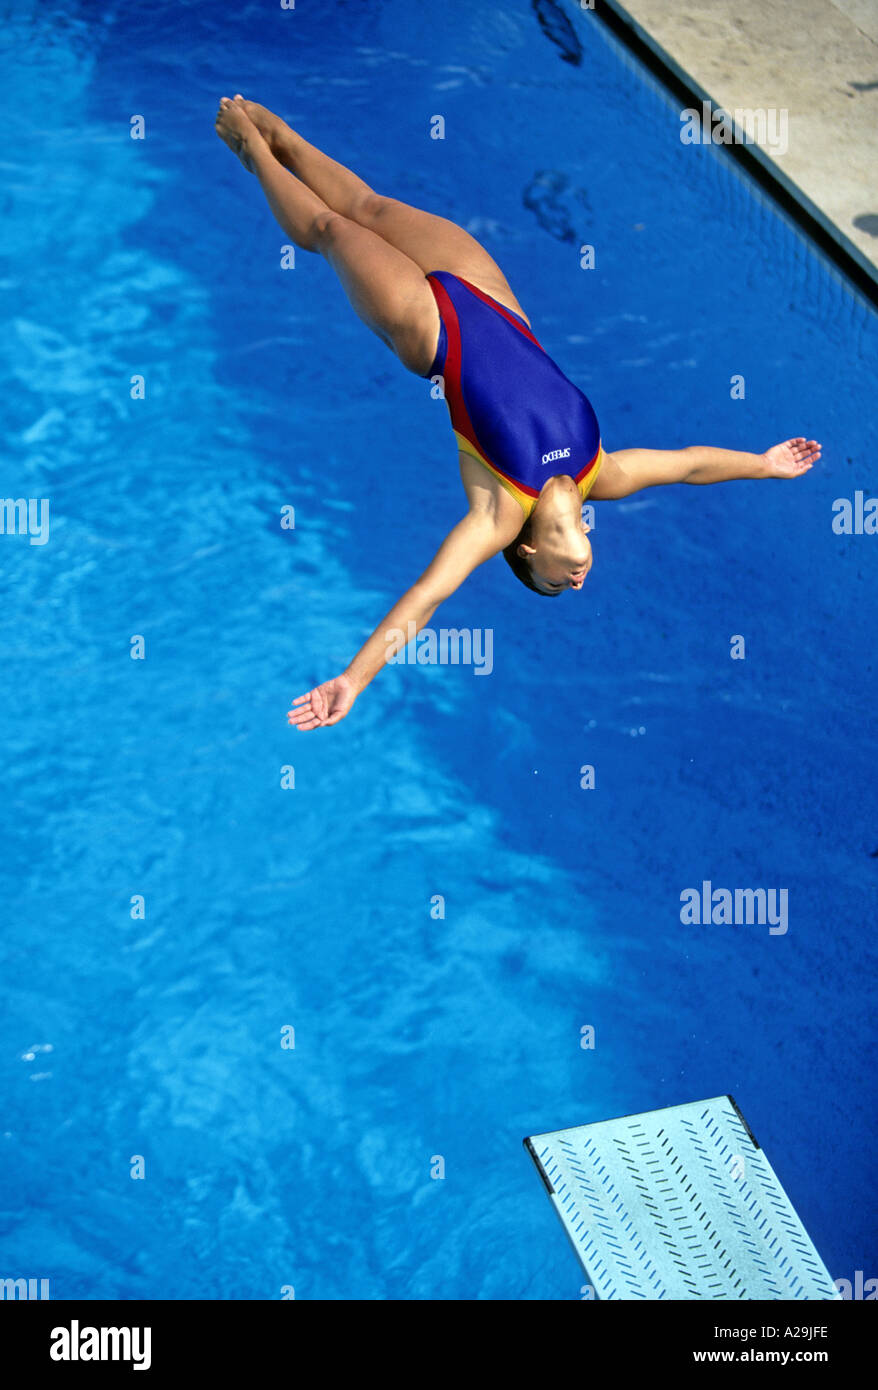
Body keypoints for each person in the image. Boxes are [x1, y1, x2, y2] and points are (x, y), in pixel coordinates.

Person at [215, 95, 820, 730]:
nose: (578, 581)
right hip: (495, 299)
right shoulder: (600, 475)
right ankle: (282, 134)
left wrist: (353, 680)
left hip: (429, 333)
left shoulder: (500, 513)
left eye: (556, 585)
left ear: (529, 553)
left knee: (336, 230)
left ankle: (254, 149)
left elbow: (428, 597)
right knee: (373, 206)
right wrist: (761, 464)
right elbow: (690, 466)